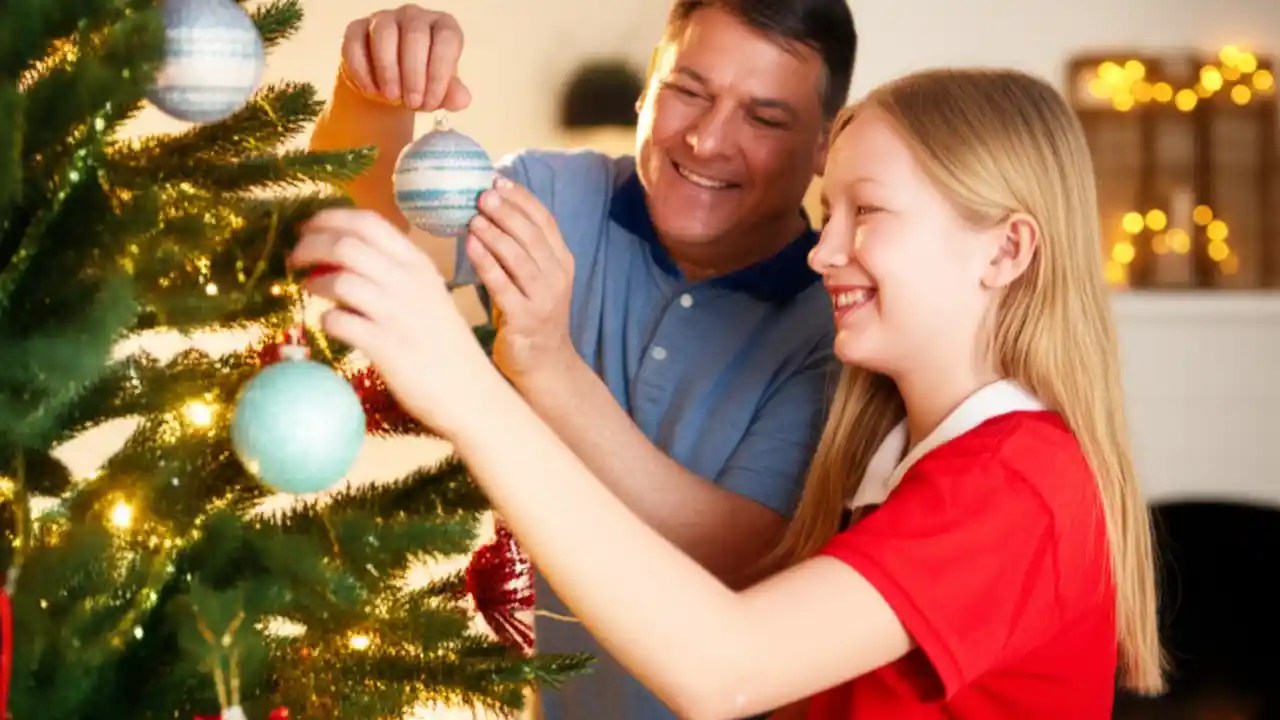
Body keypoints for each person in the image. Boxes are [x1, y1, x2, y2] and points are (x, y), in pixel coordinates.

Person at [292, 67, 1167, 718]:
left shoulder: (1015, 483)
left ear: (1005, 251)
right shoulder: (895, 462)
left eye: (871, 213)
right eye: (833, 214)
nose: (824, 253)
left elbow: (724, 667)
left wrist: (471, 394)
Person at [309, 2, 856, 717]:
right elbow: (358, 240)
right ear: (645, 88)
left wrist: (547, 363)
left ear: (822, 147)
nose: (707, 138)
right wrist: (371, 96)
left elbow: (735, 559)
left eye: (765, 118)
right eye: (687, 90)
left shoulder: (836, 324)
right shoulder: (557, 195)